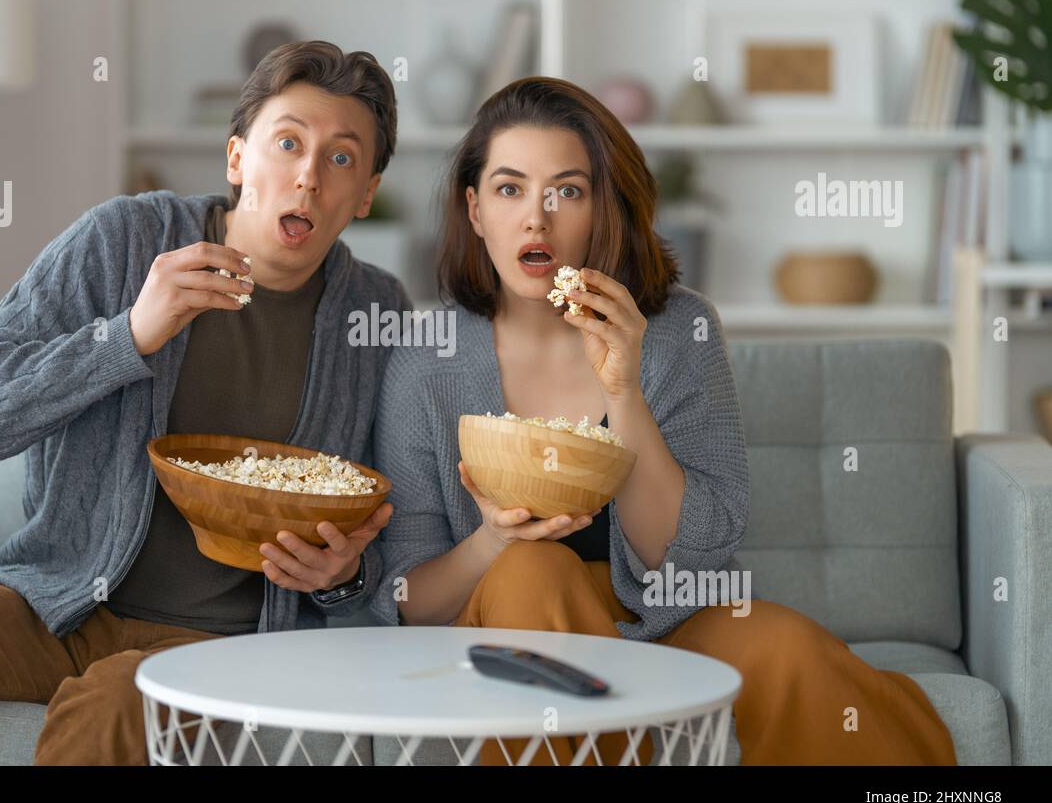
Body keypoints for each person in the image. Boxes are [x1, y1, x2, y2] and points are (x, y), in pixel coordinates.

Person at [0, 40, 408, 766]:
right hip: (49, 607)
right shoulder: (123, 244)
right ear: (236, 159)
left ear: (368, 193)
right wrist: (125, 338)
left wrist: (345, 577)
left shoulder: (375, 318)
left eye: (342, 158)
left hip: (220, 647)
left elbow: (396, 536)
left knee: (112, 715)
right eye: (287, 142)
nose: (309, 176)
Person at [368, 76, 957, 766]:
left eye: (567, 190)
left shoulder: (679, 331)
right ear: (473, 209)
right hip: (507, 625)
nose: (537, 218)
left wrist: (626, 391)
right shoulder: (423, 359)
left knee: (792, 650)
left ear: (602, 207)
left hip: (662, 623)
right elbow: (408, 597)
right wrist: (493, 542)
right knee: (533, 569)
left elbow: (687, 556)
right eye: (509, 189)